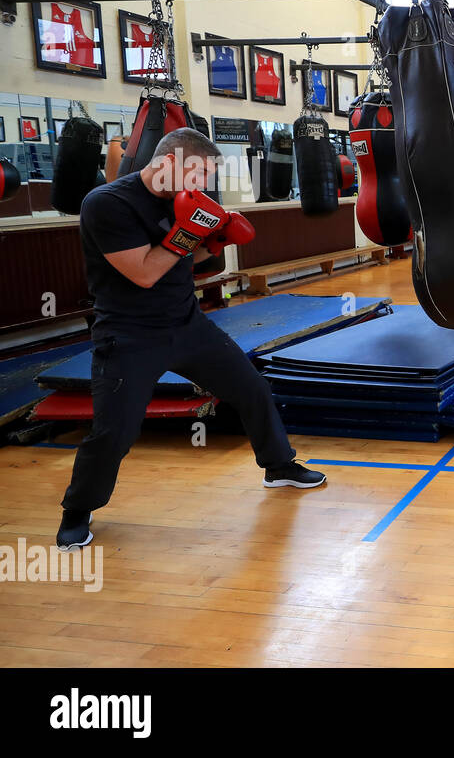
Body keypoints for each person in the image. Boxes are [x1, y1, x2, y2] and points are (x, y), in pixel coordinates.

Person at [58, 128, 326, 551]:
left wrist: (215, 242)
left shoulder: (184, 202)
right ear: (168, 162)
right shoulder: (108, 204)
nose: (202, 185)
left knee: (252, 388)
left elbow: (191, 262)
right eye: (197, 173)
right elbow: (144, 272)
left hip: (187, 324)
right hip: (129, 335)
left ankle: (279, 466)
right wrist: (187, 233)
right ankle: (77, 510)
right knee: (115, 432)